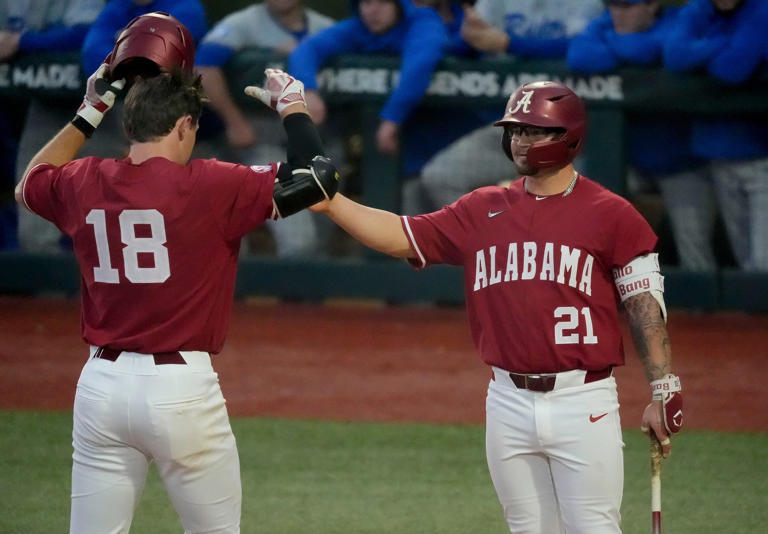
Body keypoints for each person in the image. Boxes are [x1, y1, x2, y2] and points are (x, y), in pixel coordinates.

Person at [311, 81, 683, 533]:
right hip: (507, 400)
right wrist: (332, 203)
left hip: (583, 401)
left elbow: (645, 307)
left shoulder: (613, 214)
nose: (521, 140)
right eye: (516, 130)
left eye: (535, 130)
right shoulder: (482, 208)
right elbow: (400, 235)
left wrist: (664, 389)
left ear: (569, 136)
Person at [14, 61, 337, 531]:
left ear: (128, 124)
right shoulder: (211, 182)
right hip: (180, 392)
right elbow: (318, 179)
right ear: (185, 125)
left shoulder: (84, 179)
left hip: (100, 387)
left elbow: (30, 183)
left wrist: (91, 108)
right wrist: (292, 108)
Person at [412, 0, 604, 214]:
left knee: (569, 205)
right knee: (440, 176)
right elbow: (476, 41)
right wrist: (468, 37)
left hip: (568, 137)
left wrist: (508, 44)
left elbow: (583, 47)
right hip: (509, 129)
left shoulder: (585, 3)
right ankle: (487, 243)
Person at [567, 0, 716, 271]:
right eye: (613, 5)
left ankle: (703, 312)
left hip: (680, 163)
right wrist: (622, 44)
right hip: (629, 163)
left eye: (627, 6)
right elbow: (579, 56)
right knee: (579, 199)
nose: (618, 13)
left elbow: (648, 50)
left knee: (696, 258)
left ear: (652, 5)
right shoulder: (605, 22)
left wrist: (612, 43)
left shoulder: (677, 21)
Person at [195, 0, 335, 257]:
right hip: (260, 135)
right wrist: (234, 122)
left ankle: (303, 295)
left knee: (317, 237)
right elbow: (203, 68)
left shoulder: (324, 27)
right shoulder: (243, 23)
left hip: (315, 141)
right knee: (299, 241)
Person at [663, 0, 768, 271]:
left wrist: (701, 50)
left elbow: (732, 69)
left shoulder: (761, 10)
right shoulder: (697, 11)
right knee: (747, 264)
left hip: (762, 157)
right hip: (719, 156)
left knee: (761, 267)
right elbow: (674, 56)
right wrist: (724, 42)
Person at [4, 0, 106, 253]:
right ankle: (51, 292)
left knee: (102, 220)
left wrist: (22, 42)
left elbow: (86, 34)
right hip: (45, 104)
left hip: (103, 107)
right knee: (33, 224)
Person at [288, 0, 447, 157]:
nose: (373, 10)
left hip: (441, 132)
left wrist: (392, 119)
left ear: (399, 5)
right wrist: (307, 90)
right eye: (367, 2)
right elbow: (306, 49)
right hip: (384, 138)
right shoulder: (359, 28)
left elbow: (420, 66)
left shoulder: (424, 22)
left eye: (383, 2)